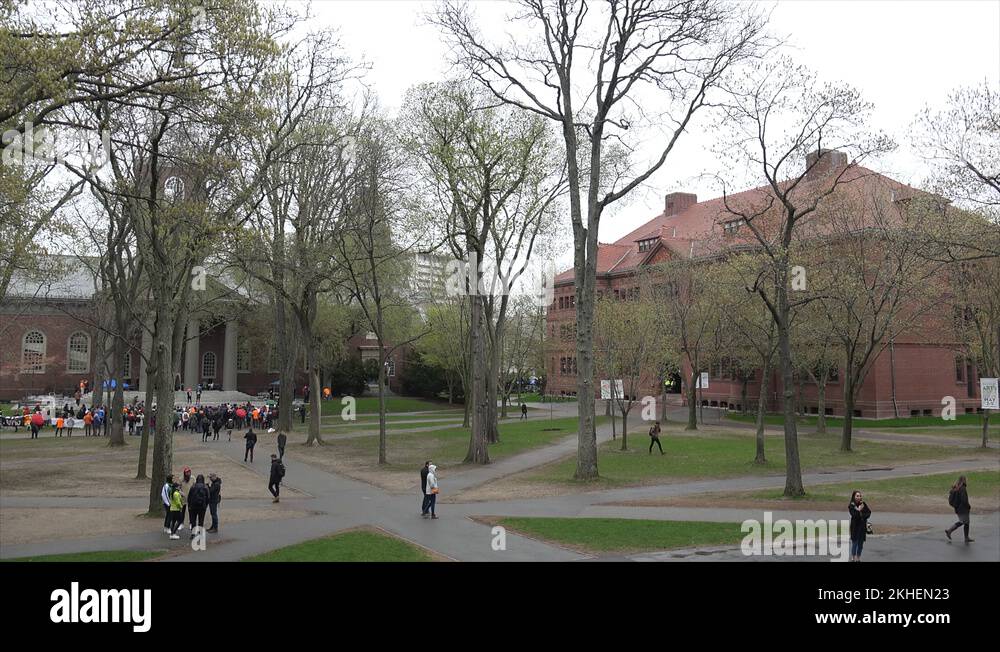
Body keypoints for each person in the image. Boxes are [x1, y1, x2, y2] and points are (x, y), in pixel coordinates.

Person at [946, 475, 974, 543]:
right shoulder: (962, 488)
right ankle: (949, 530)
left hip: (957, 508)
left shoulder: (955, 488)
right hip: (963, 509)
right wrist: (968, 506)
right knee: (963, 522)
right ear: (964, 480)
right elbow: (964, 500)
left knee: (966, 522)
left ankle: (966, 537)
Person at [848, 490, 871, 562]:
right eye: (857, 496)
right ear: (854, 497)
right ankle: (853, 557)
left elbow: (868, 513)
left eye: (860, 496)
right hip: (855, 527)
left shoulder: (863, 504)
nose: (859, 497)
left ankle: (858, 558)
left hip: (862, 527)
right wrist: (859, 511)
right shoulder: (851, 505)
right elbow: (854, 515)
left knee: (860, 544)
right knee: (855, 543)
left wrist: (863, 516)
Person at [187, 474, 210, 538]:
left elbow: (189, 497)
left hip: (193, 506)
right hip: (202, 507)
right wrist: (205, 505)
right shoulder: (205, 487)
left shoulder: (193, 487)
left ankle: (193, 534)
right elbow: (208, 498)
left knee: (193, 520)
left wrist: (189, 505)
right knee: (201, 520)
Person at [178, 466, 193, 531]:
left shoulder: (193, 478)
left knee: (191, 512)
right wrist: (181, 493)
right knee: (182, 512)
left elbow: (195, 486)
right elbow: (178, 488)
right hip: (183, 498)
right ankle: (181, 523)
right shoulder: (181, 479)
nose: (188, 473)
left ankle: (191, 523)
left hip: (191, 498)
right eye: (187, 472)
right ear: (184, 473)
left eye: (189, 472)